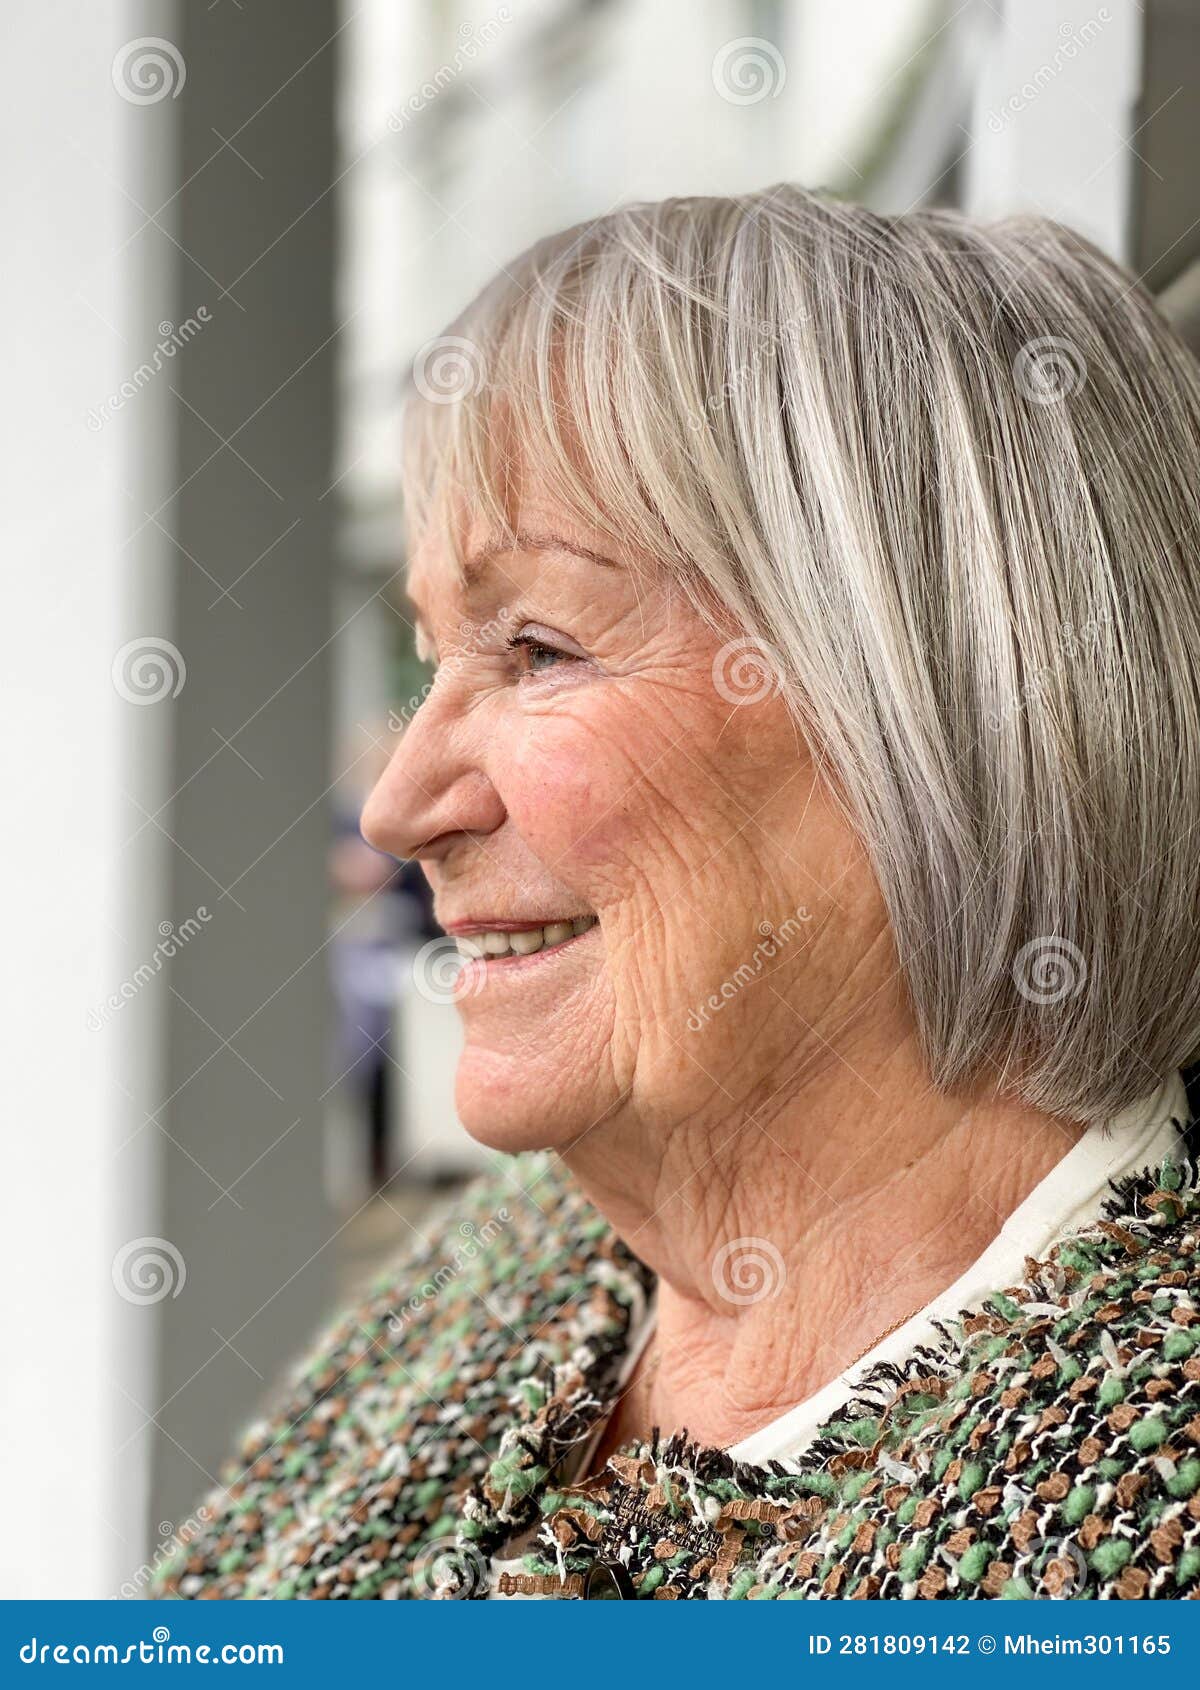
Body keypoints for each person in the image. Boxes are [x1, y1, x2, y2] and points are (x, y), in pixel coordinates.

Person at [154, 185, 1200, 1600]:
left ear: (948, 710)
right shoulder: (511, 1258)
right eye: (432, 656)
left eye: (539, 648)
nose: (400, 803)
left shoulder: (1135, 1512)